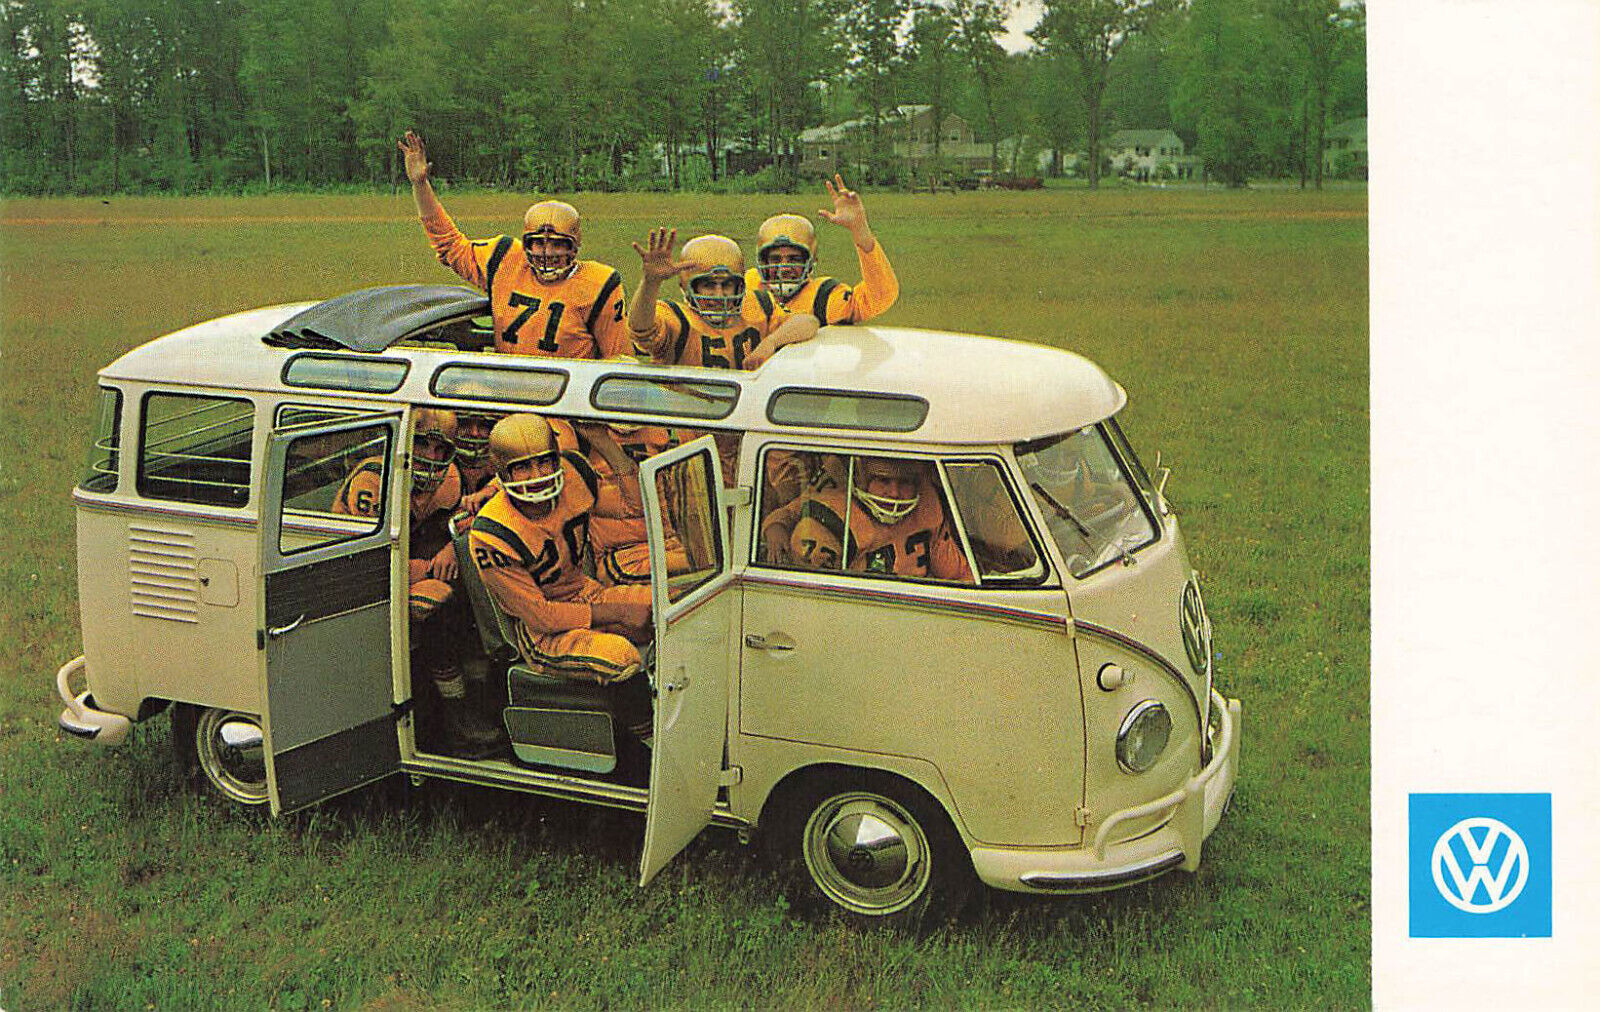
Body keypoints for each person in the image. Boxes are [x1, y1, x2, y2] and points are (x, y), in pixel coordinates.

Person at [468, 415, 653, 742]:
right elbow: (541, 616)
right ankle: (647, 741)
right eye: (523, 468)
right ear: (501, 473)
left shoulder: (574, 474)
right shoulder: (492, 532)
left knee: (669, 611)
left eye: (544, 462)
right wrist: (619, 613)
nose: (537, 477)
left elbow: (635, 508)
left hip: (586, 594)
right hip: (541, 632)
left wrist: (605, 444)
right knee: (622, 657)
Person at [333, 408, 505, 758]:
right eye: (425, 445)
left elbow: (461, 526)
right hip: (355, 581)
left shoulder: (450, 480)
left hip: (408, 567)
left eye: (442, 451)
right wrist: (428, 566)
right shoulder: (374, 480)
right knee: (439, 598)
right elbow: (367, 562)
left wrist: (451, 551)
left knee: (474, 586)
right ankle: (453, 712)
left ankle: (473, 696)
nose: (433, 457)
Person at [399, 130, 629, 358]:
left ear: (574, 245)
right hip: (508, 384)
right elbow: (449, 244)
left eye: (558, 245)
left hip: (567, 391)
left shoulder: (598, 284)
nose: (547, 253)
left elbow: (618, 359)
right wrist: (420, 185)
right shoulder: (505, 259)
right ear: (526, 242)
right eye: (538, 244)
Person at [762, 455, 974, 584]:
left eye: (905, 482)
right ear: (862, 479)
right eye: (883, 480)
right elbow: (792, 511)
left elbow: (957, 573)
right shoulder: (836, 499)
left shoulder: (927, 505)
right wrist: (776, 527)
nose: (894, 493)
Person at [628, 229, 819, 370]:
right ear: (688, 287)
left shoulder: (756, 306)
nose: (719, 295)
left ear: (740, 285)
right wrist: (650, 283)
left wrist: (770, 343)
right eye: (709, 285)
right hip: (687, 420)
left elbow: (807, 322)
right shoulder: (678, 318)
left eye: (727, 285)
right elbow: (641, 329)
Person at [748, 174, 899, 325]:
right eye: (775, 259)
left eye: (794, 259)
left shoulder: (824, 299)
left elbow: (881, 298)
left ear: (811, 262)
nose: (785, 267)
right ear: (762, 262)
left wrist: (860, 229)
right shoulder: (748, 286)